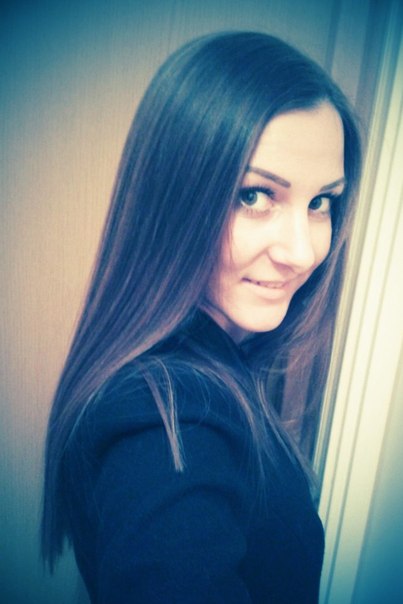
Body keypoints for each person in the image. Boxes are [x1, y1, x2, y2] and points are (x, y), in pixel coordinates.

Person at [41, 32, 361, 603]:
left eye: (321, 202)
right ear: (174, 199)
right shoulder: (168, 427)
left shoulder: (208, 370)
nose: (302, 252)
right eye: (254, 195)